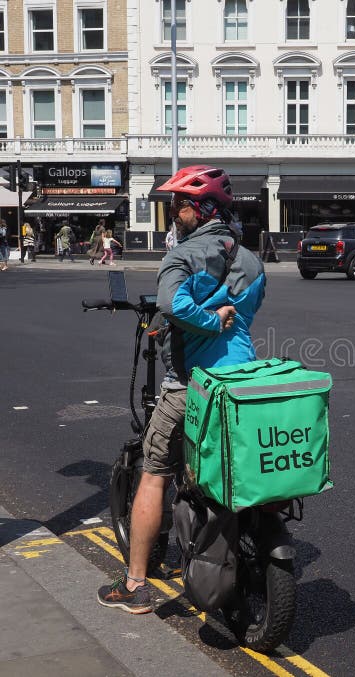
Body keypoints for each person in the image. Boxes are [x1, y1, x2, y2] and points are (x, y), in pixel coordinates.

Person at [97, 165, 266, 614]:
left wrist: (208, 321)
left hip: (189, 385)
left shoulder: (182, 256)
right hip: (240, 380)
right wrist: (220, 317)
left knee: (155, 474)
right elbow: (245, 314)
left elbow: (173, 304)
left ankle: (135, 586)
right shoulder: (252, 261)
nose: (173, 212)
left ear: (202, 209)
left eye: (179, 204)